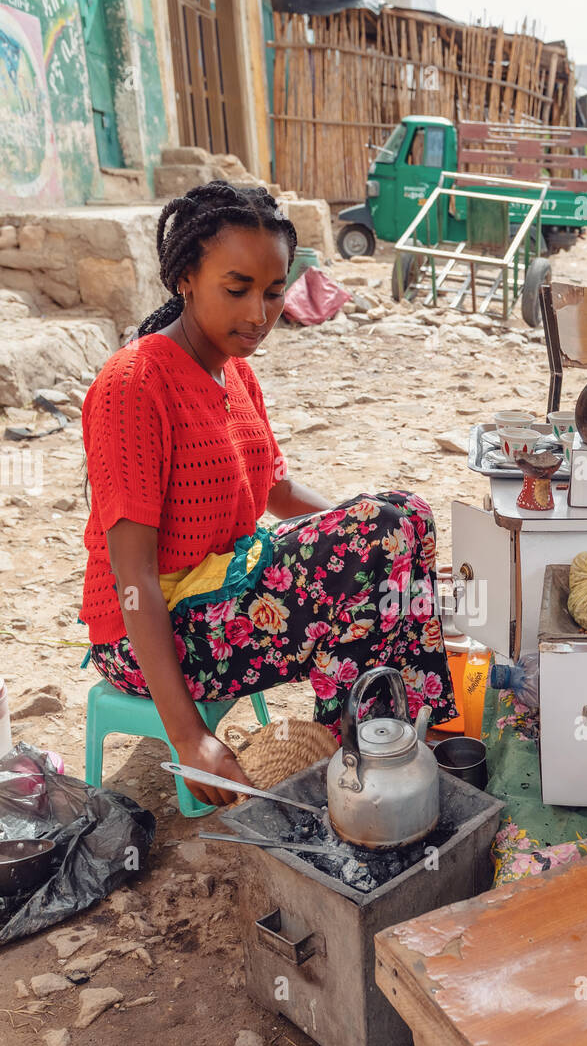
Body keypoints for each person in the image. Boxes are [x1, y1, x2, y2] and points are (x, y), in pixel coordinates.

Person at [80, 182, 456, 807]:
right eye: (237, 289)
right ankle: (362, 755)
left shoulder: (234, 370)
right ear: (185, 280)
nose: (259, 313)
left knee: (405, 516)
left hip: (225, 587)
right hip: (149, 631)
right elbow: (133, 578)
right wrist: (191, 737)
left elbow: (276, 490)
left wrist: (381, 531)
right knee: (377, 539)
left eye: (275, 291)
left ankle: (393, 734)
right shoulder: (136, 382)